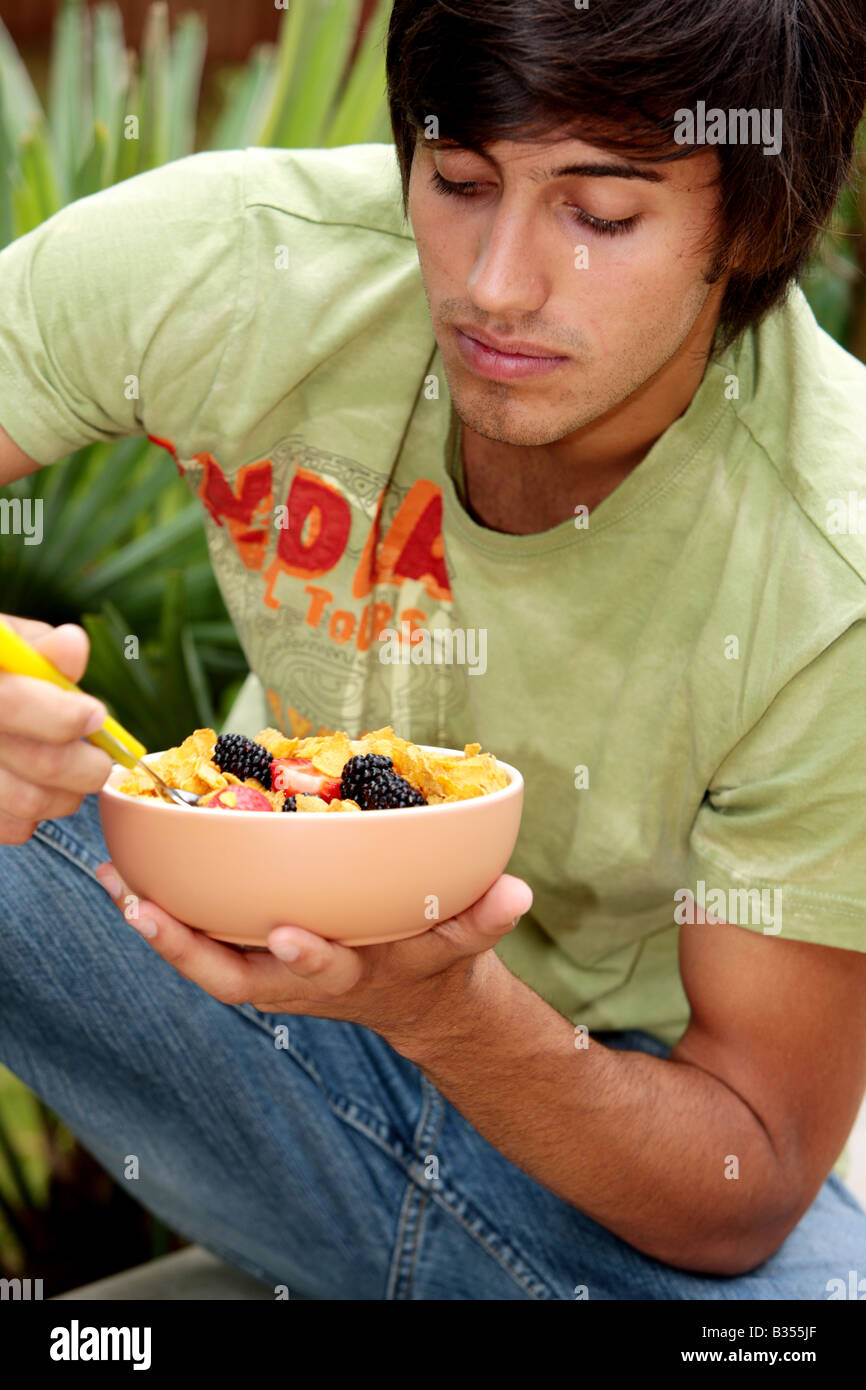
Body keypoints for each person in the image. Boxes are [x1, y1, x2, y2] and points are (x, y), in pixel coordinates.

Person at [1, 0, 865, 1300]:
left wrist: (436, 1007)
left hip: (600, 1097)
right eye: (458, 180)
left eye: (598, 215)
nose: (494, 282)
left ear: (747, 223)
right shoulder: (244, 261)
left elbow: (741, 1173)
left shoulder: (832, 563)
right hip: (223, 956)